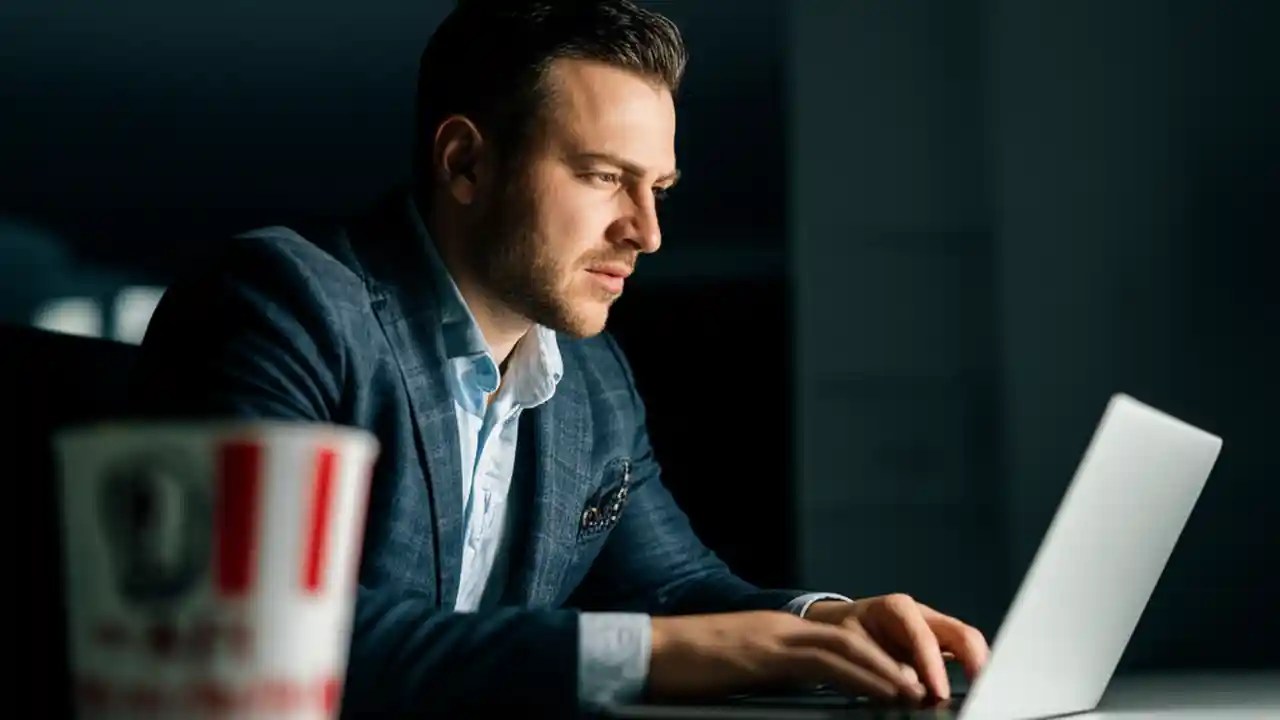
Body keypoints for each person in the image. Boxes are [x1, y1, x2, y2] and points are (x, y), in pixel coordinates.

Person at [130, 0, 989, 715]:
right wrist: (656, 654)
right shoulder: (281, 305)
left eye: (659, 189)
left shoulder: (592, 378)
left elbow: (675, 589)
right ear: (465, 163)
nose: (647, 232)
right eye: (605, 176)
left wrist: (826, 623)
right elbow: (262, 631)